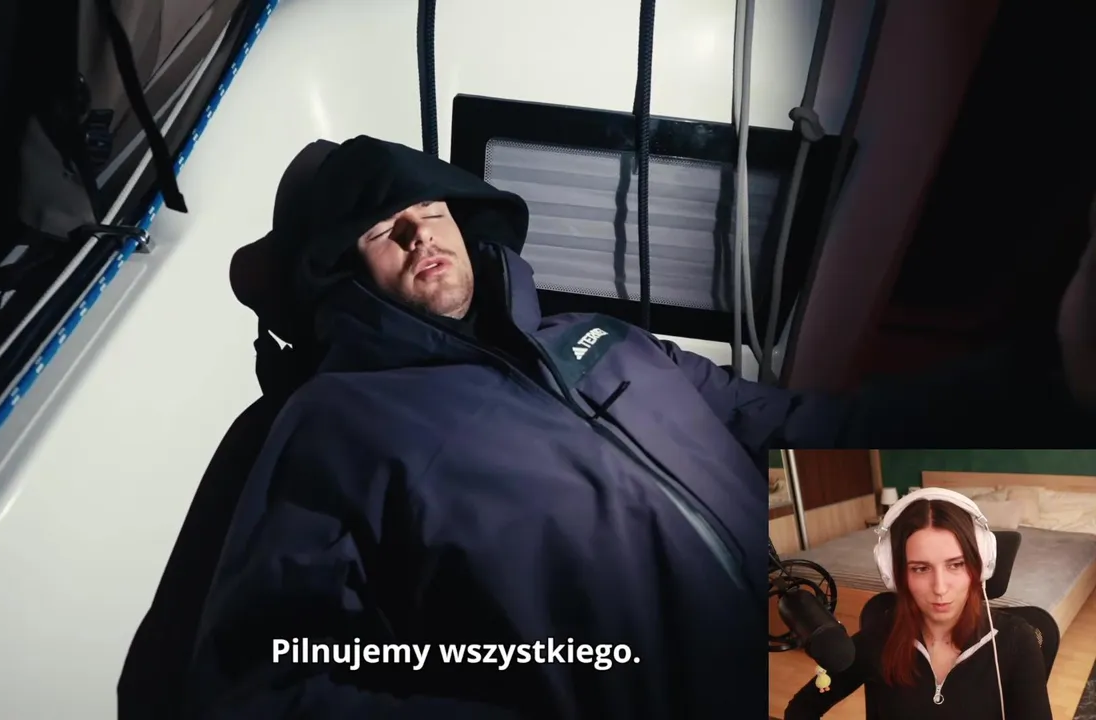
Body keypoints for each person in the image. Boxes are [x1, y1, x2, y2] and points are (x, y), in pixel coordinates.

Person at [182, 136, 1094, 719]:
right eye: (387, 229)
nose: (423, 235)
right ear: (341, 275)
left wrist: (1051, 373)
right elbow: (265, 679)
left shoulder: (605, 338)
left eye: (431, 210)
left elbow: (806, 420)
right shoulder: (334, 421)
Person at [784, 489, 1053, 719]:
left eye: (956, 565)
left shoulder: (1016, 641)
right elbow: (801, 709)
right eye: (921, 568)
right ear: (896, 574)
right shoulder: (880, 637)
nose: (940, 588)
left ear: (979, 567)